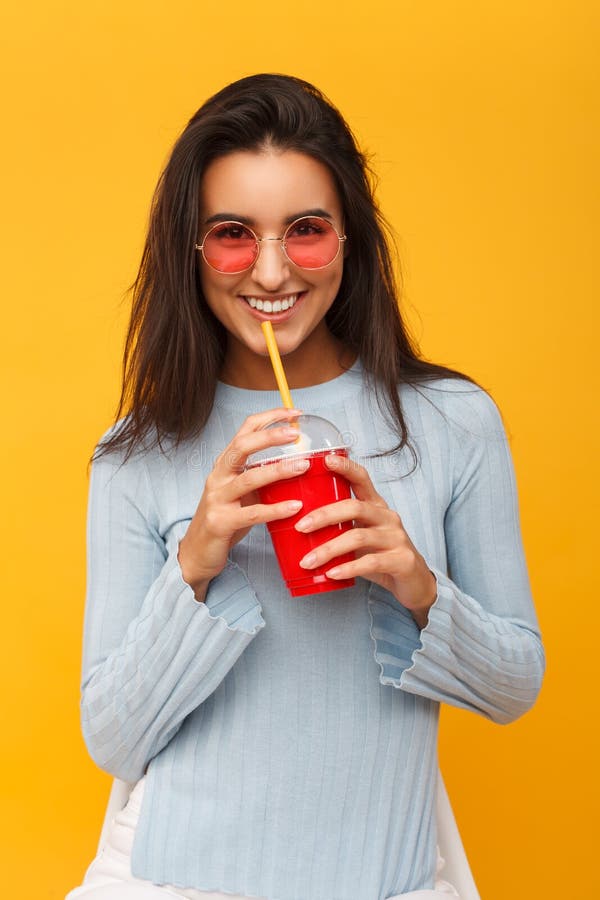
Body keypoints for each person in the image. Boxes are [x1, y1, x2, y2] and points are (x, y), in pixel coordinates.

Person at [67, 74, 545, 900]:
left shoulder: (453, 423)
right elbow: (111, 739)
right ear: (194, 249)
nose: (272, 270)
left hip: (384, 881)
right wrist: (195, 562)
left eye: (307, 230)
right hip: (172, 882)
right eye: (233, 234)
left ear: (349, 240)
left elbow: (514, 688)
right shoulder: (134, 455)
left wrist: (419, 586)